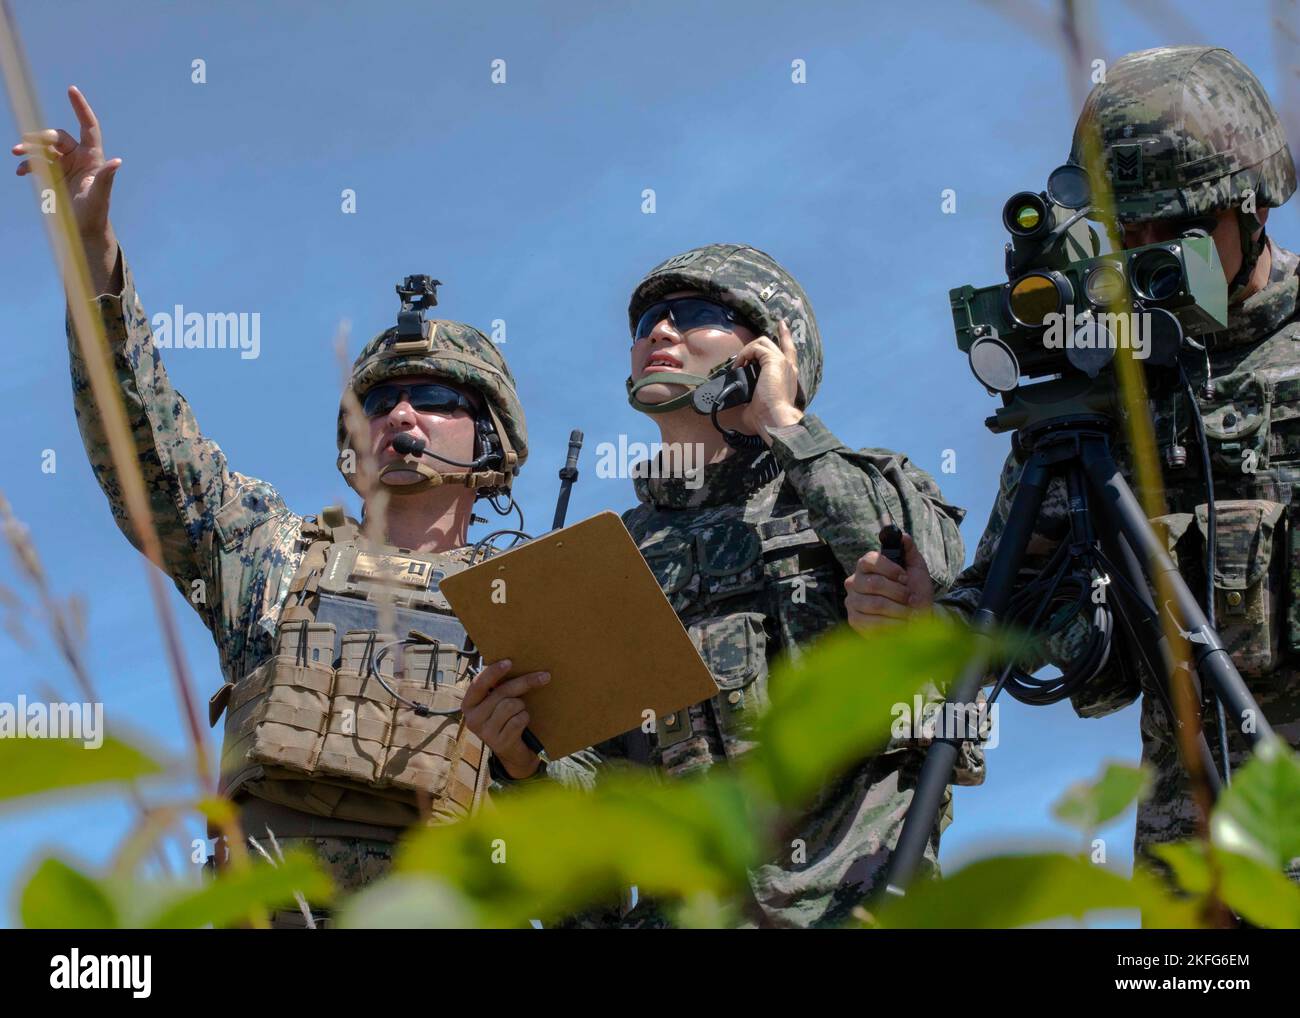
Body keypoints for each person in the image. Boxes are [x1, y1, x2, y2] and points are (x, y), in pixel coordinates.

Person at [14, 86, 531, 925]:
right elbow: (148, 448)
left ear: (493, 440)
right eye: (378, 400)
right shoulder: (271, 555)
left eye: (435, 396)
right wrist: (94, 257)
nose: (399, 414)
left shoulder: (537, 590)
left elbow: (625, 804)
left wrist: (527, 759)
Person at [844, 46, 1300, 876]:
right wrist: (928, 620)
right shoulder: (1097, 392)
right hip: (1191, 851)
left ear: (1254, 205)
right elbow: (1014, 603)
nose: (1152, 252)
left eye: (1182, 228)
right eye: (1131, 232)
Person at [464, 243, 974, 927]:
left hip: (857, 900)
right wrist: (521, 761)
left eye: (695, 314)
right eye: (646, 324)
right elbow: (606, 794)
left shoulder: (869, 479)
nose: (659, 333)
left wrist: (785, 423)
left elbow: (924, 573)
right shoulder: (612, 554)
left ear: (772, 346)